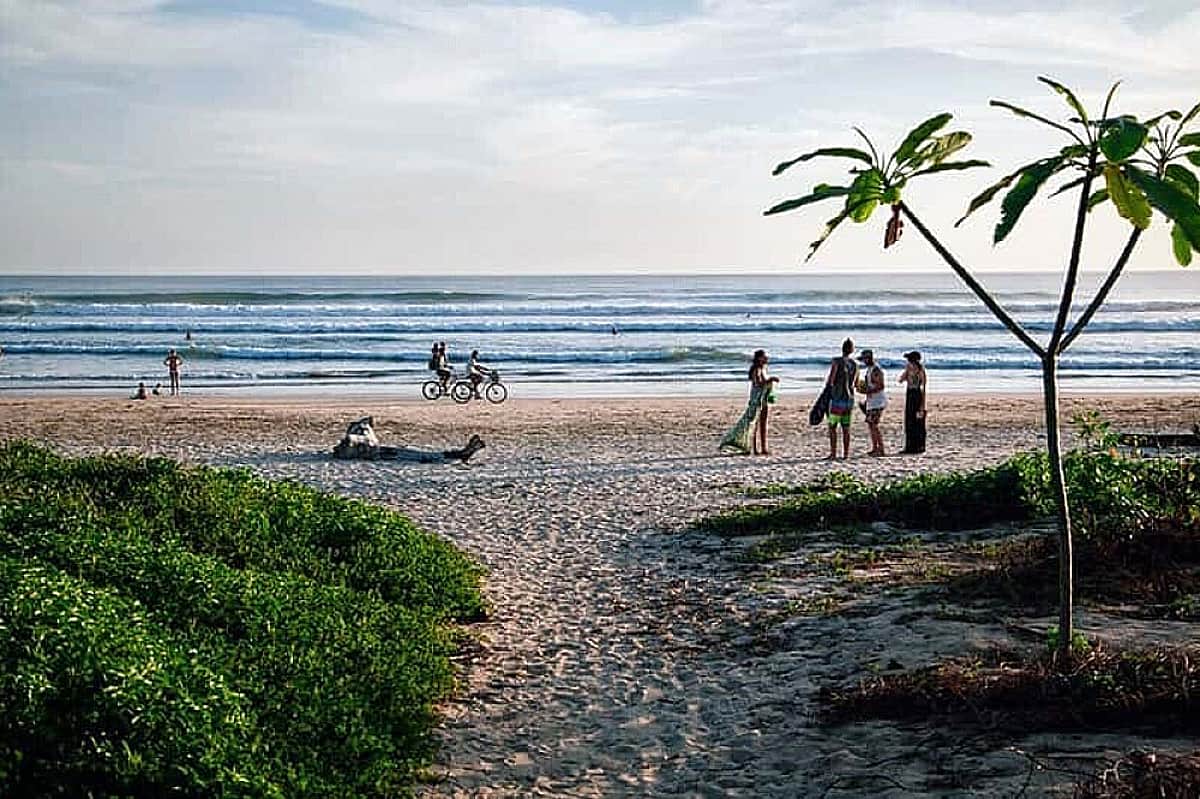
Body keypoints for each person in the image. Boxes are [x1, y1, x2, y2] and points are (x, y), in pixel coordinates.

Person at [719, 349, 779, 456]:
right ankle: (757, 448)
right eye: (764, 357)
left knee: (761, 423)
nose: (766, 358)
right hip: (757, 399)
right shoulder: (757, 369)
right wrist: (770, 380)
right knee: (756, 424)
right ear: (759, 358)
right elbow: (758, 383)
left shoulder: (762, 369)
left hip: (762, 398)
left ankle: (762, 447)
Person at [825, 338, 858, 459]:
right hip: (849, 398)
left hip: (837, 398)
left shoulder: (836, 361)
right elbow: (854, 383)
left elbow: (831, 380)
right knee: (846, 427)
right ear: (852, 350)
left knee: (832, 426)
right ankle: (846, 454)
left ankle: (833, 453)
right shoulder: (855, 364)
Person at [857, 349, 888, 456]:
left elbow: (881, 386)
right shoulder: (870, 369)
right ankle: (875, 448)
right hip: (872, 401)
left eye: (865, 359)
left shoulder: (876, 369)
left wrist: (868, 391)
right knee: (871, 425)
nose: (864, 362)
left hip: (877, 401)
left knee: (874, 425)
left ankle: (881, 449)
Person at [898, 350, 927, 454]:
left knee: (918, 422)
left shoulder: (920, 370)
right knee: (909, 420)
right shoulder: (909, 368)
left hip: (916, 394)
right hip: (910, 393)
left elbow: (923, 387)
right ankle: (909, 446)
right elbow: (901, 380)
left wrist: (922, 405)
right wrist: (906, 374)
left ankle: (919, 446)